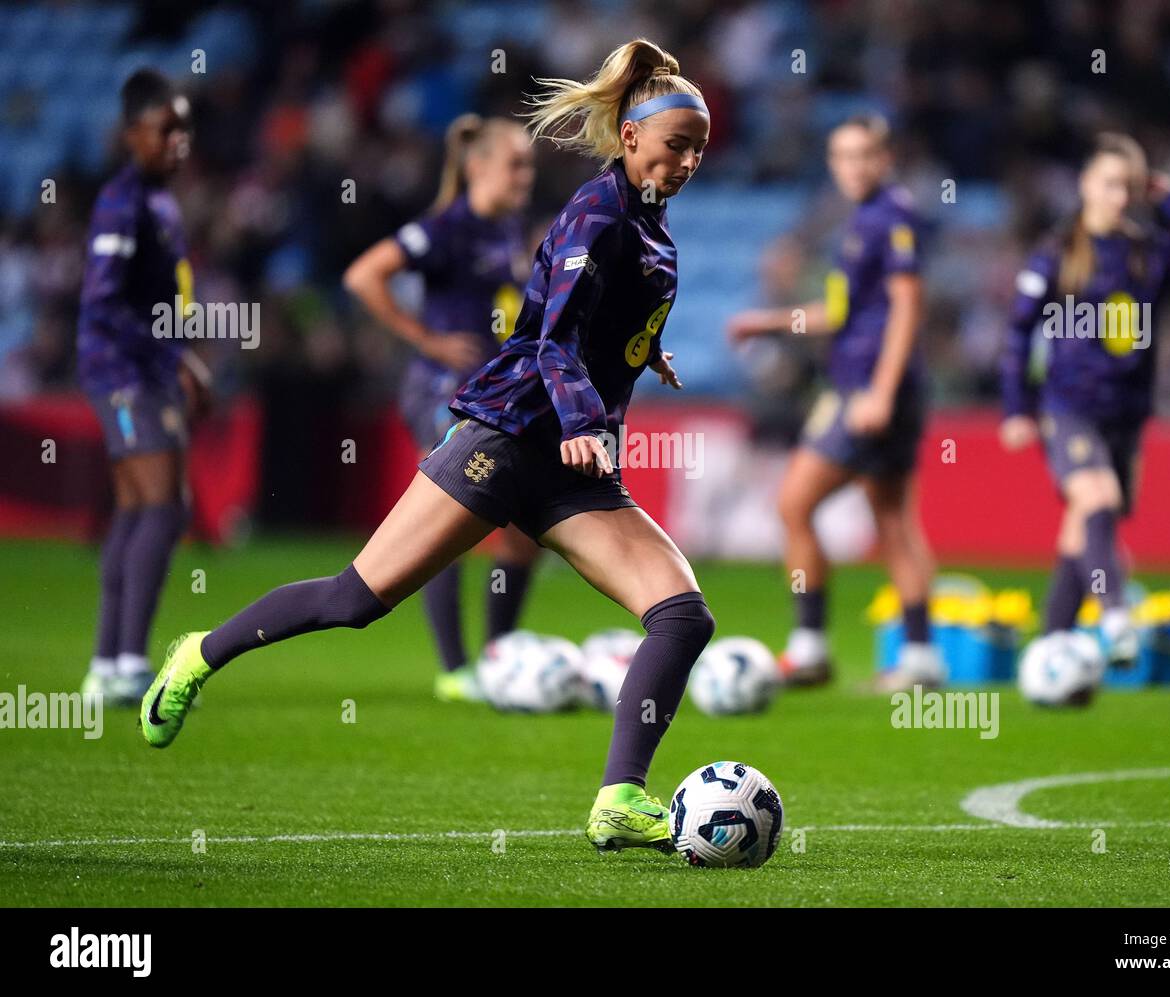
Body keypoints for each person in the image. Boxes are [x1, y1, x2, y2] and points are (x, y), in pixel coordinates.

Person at [141, 39, 713, 855]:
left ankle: (620, 796)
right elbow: (551, 341)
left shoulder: (655, 234)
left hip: (568, 467)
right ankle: (200, 651)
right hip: (511, 434)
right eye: (674, 143)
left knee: (682, 613)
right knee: (354, 601)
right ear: (629, 137)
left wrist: (639, 351)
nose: (688, 159)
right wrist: (587, 419)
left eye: (698, 146)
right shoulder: (598, 210)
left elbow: (592, 321)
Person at [1000, 133, 1170, 659]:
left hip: (1127, 414)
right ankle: (1114, 617)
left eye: (1129, 186)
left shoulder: (1148, 252)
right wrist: (1017, 408)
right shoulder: (1057, 253)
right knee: (1097, 500)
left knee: (1084, 528)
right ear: (1085, 184)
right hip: (1068, 408)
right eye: (1109, 184)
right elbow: (1017, 334)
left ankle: (1051, 646)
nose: (1119, 196)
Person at [729, 116, 941, 691]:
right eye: (842, 156)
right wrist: (770, 322)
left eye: (864, 155)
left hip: (871, 393)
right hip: (865, 391)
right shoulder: (859, 223)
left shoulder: (893, 217)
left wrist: (881, 391)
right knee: (893, 521)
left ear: (885, 158)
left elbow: (907, 305)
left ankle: (810, 645)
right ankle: (920, 658)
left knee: (794, 504)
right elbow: (841, 313)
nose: (853, 167)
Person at [344, 113, 539, 702]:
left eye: (529, 164)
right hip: (441, 392)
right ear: (477, 166)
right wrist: (424, 338)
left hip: (494, 396)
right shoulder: (446, 228)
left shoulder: (507, 229)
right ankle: (456, 668)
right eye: (516, 164)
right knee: (451, 520)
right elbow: (363, 275)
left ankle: (499, 659)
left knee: (521, 533)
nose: (526, 175)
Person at [78, 69, 210, 706]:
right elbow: (103, 299)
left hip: (147, 367)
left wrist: (180, 357)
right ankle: (128, 660)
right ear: (133, 133)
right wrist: (173, 356)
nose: (178, 141)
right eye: (166, 129)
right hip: (121, 371)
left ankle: (110, 661)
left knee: (141, 509)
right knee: (161, 506)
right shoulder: (123, 200)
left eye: (184, 129)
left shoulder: (158, 199)